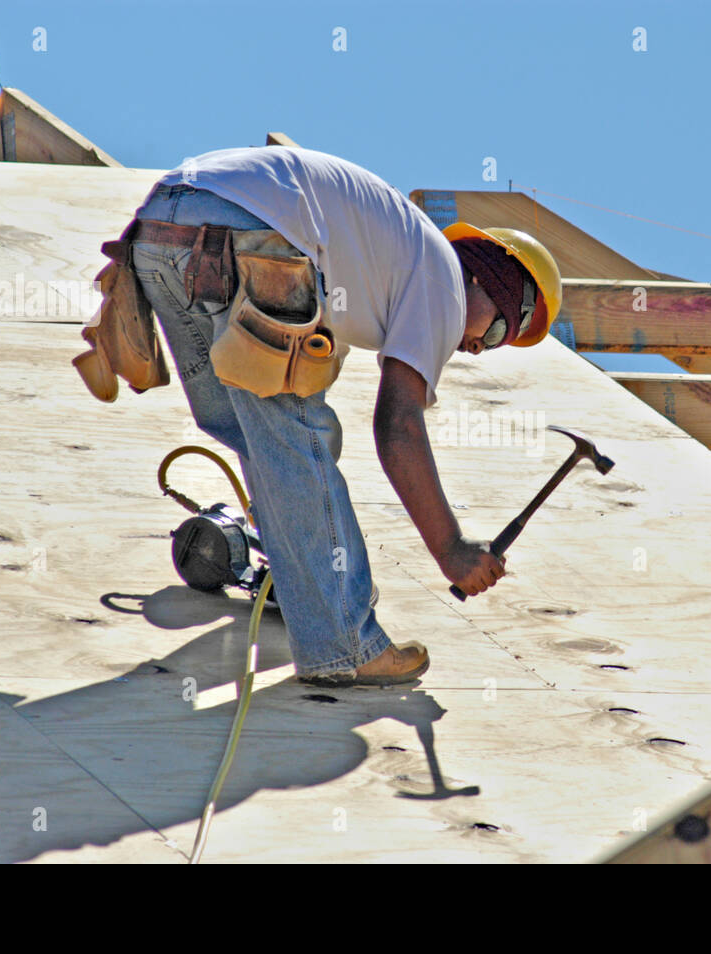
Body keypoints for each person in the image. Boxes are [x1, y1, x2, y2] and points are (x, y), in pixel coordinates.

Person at [127, 145, 562, 687]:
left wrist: (307, 560)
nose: (478, 348)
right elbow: (397, 424)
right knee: (299, 440)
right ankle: (344, 646)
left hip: (161, 227)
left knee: (260, 432)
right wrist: (451, 549)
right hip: (247, 228)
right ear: (488, 280)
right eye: (497, 332)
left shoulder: (382, 261)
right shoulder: (446, 280)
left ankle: (300, 587)